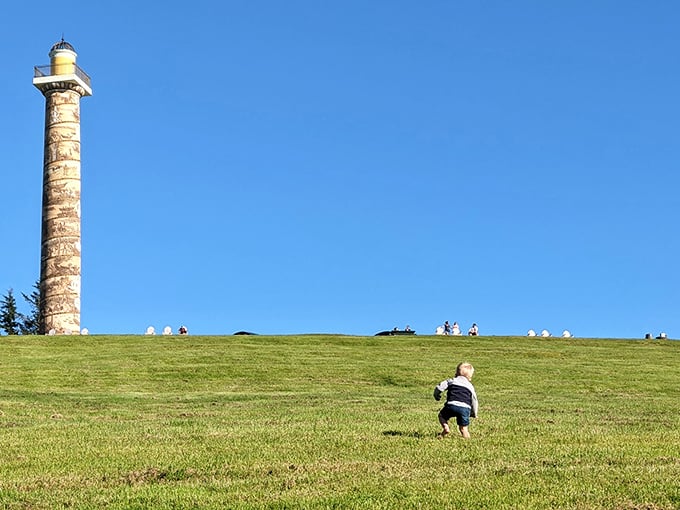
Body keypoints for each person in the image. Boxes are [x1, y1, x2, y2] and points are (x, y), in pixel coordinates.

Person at [433, 362, 478, 439]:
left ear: (456, 373)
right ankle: (468, 442)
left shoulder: (452, 381)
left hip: (451, 405)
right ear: (469, 378)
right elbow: (474, 400)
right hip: (465, 408)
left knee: (441, 416)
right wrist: (474, 413)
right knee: (463, 429)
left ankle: (446, 428)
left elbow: (439, 387)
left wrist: (436, 395)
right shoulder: (470, 386)